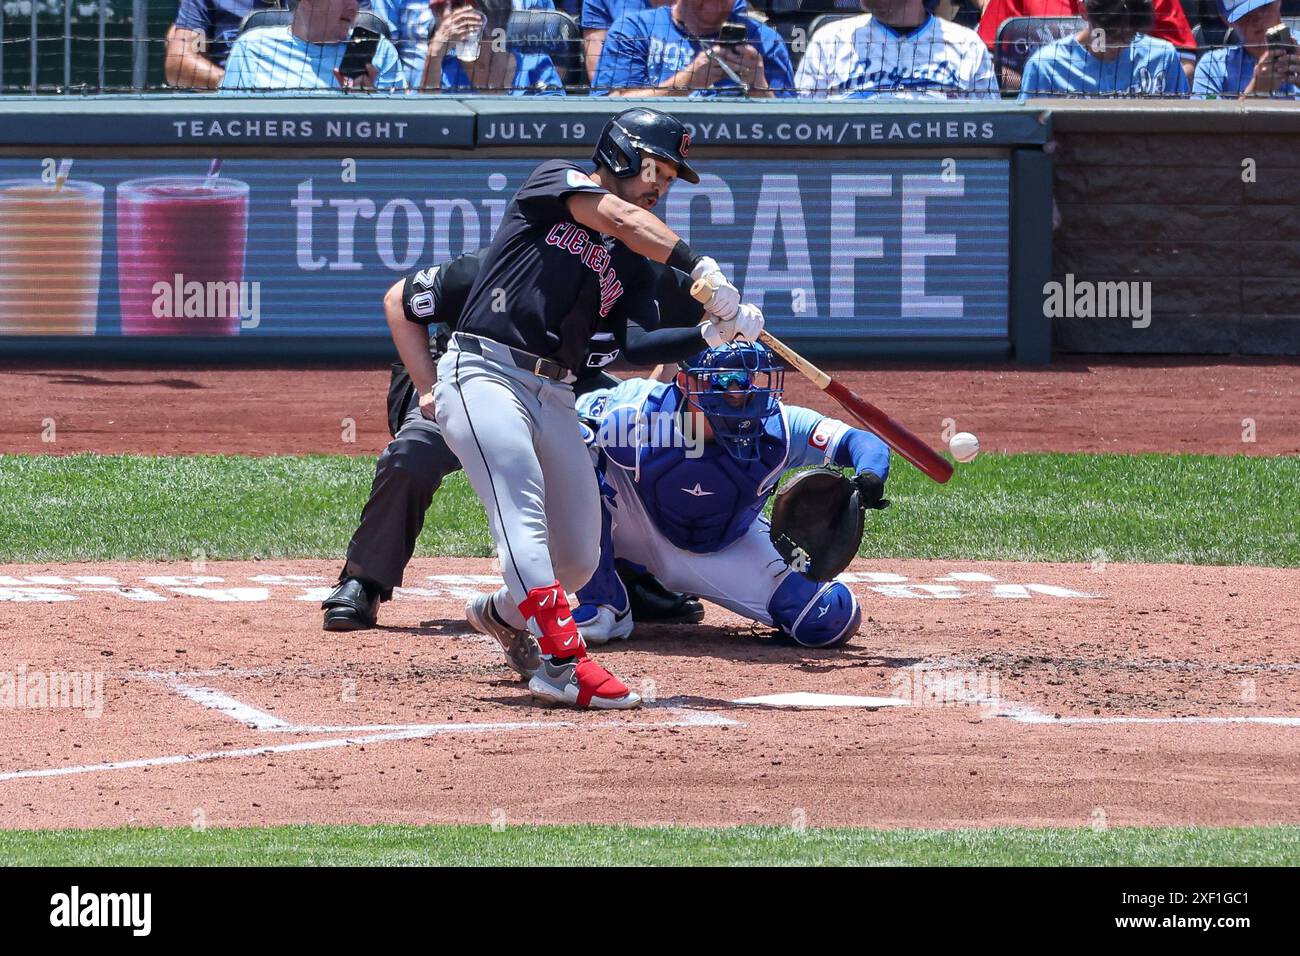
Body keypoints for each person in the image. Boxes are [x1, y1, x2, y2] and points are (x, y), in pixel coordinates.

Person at [425, 107, 763, 710]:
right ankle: (562, 664)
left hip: (555, 392)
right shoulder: (554, 183)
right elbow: (620, 217)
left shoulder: (630, 260)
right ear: (624, 154)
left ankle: (502, 614)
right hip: (483, 370)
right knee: (519, 505)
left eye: (670, 175)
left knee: (578, 559)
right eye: (657, 168)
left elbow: (633, 346)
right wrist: (698, 267)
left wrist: (712, 335)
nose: (660, 185)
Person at [320, 248, 708, 665]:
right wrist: (428, 387)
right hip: (467, 370)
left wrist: (652, 388)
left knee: (630, 436)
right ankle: (364, 580)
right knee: (416, 451)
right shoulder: (516, 259)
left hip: (562, 381)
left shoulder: (644, 273)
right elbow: (399, 299)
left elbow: (694, 319)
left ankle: (630, 578)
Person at [572, 340, 891, 650]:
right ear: (685, 382)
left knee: (830, 618)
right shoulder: (637, 412)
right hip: (638, 522)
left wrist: (870, 475)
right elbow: (560, 418)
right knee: (577, 443)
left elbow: (858, 442)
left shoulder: (776, 427)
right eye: (725, 380)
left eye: (747, 379)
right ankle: (605, 602)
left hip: (726, 545)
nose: (741, 392)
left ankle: (642, 591)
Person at [795, 0, 998, 98]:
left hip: (938, 174)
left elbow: (993, 132)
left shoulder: (966, 45)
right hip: (851, 173)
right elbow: (798, 126)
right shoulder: (829, 40)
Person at [976, 0, 1196, 89]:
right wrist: (1046, 83)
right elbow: (987, 65)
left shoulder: (1161, 53)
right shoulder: (1044, 67)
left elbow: (1184, 63)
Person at [592, 0, 795, 96]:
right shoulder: (633, 29)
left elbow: (792, 130)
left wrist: (758, 84)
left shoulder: (765, 42)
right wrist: (689, 80)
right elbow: (610, 109)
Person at [371, 0, 565, 91]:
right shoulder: (441, 72)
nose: (446, 17)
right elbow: (424, 131)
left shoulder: (537, 68)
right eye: (439, 8)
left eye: (455, 5)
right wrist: (434, 55)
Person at [219, 0, 407, 92]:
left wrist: (372, 109)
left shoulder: (378, 50)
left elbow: (400, 144)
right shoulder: (252, 47)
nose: (353, 6)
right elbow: (229, 131)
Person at [580, 0, 750, 85]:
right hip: (646, 105)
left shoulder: (721, 4)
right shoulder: (627, 28)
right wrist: (684, 82)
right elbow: (606, 84)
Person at [1193, 0, 1300, 98]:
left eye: (1264, 7)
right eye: (1246, 14)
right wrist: (1255, 92)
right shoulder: (1213, 67)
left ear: (1278, 2)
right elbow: (1206, 119)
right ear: (1225, 20)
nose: (1257, 18)